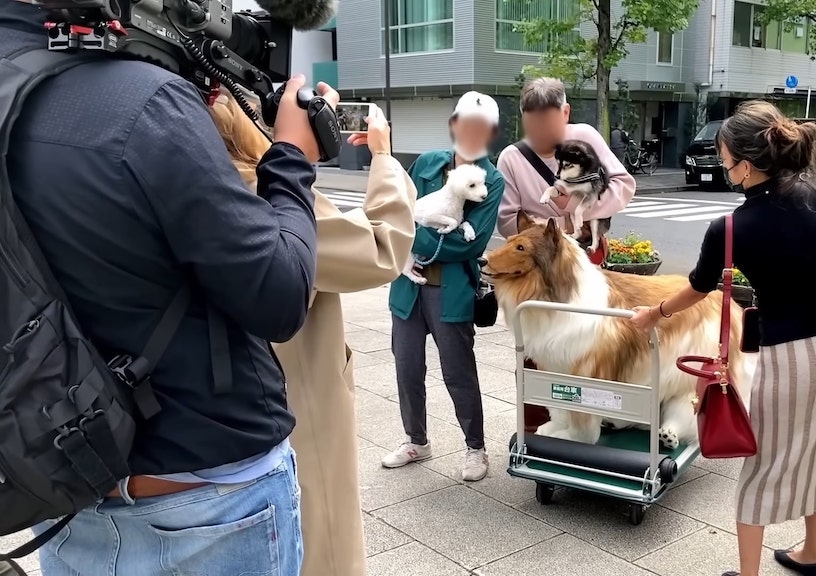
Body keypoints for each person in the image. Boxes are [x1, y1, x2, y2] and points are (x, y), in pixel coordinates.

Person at [3, 0, 333, 572]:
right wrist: (293, 159)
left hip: (60, 479)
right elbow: (280, 293)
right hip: (206, 498)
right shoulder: (143, 101)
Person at [629, 100, 816, 576]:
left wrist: (654, 313)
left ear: (746, 167)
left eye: (725, 159)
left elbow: (697, 287)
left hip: (788, 357)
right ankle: (812, 554)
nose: (724, 166)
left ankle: (748, 574)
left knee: (761, 464)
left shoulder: (731, 226)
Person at [210, 96, 415, 576]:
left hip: (194, 431)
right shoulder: (263, 193)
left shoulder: (165, 183)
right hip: (289, 403)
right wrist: (383, 156)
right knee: (322, 543)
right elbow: (384, 245)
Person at [384, 91, 506, 481]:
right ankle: (415, 439)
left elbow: (469, 242)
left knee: (458, 371)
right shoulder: (427, 163)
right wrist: (398, 247)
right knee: (407, 367)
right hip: (407, 288)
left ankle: (476, 449)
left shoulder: (493, 179)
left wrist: (406, 242)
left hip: (450, 290)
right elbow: (396, 211)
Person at [496, 77, 635, 265]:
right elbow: (508, 223)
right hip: (537, 263)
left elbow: (623, 185)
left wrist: (573, 206)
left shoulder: (585, 137)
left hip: (583, 258)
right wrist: (567, 224)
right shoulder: (511, 158)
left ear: (566, 112)